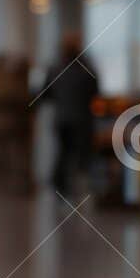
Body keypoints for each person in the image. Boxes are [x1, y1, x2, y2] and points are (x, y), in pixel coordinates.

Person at [42, 34, 100, 197]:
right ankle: (82, 190)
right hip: (82, 119)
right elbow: (96, 91)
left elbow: (45, 94)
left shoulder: (54, 68)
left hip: (61, 119)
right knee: (82, 155)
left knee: (63, 153)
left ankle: (62, 190)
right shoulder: (87, 68)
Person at [0, 55, 34, 192]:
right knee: (14, 155)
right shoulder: (14, 82)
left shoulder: (0, 81)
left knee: (8, 155)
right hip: (14, 123)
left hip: (5, 123)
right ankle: (10, 183)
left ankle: (4, 183)